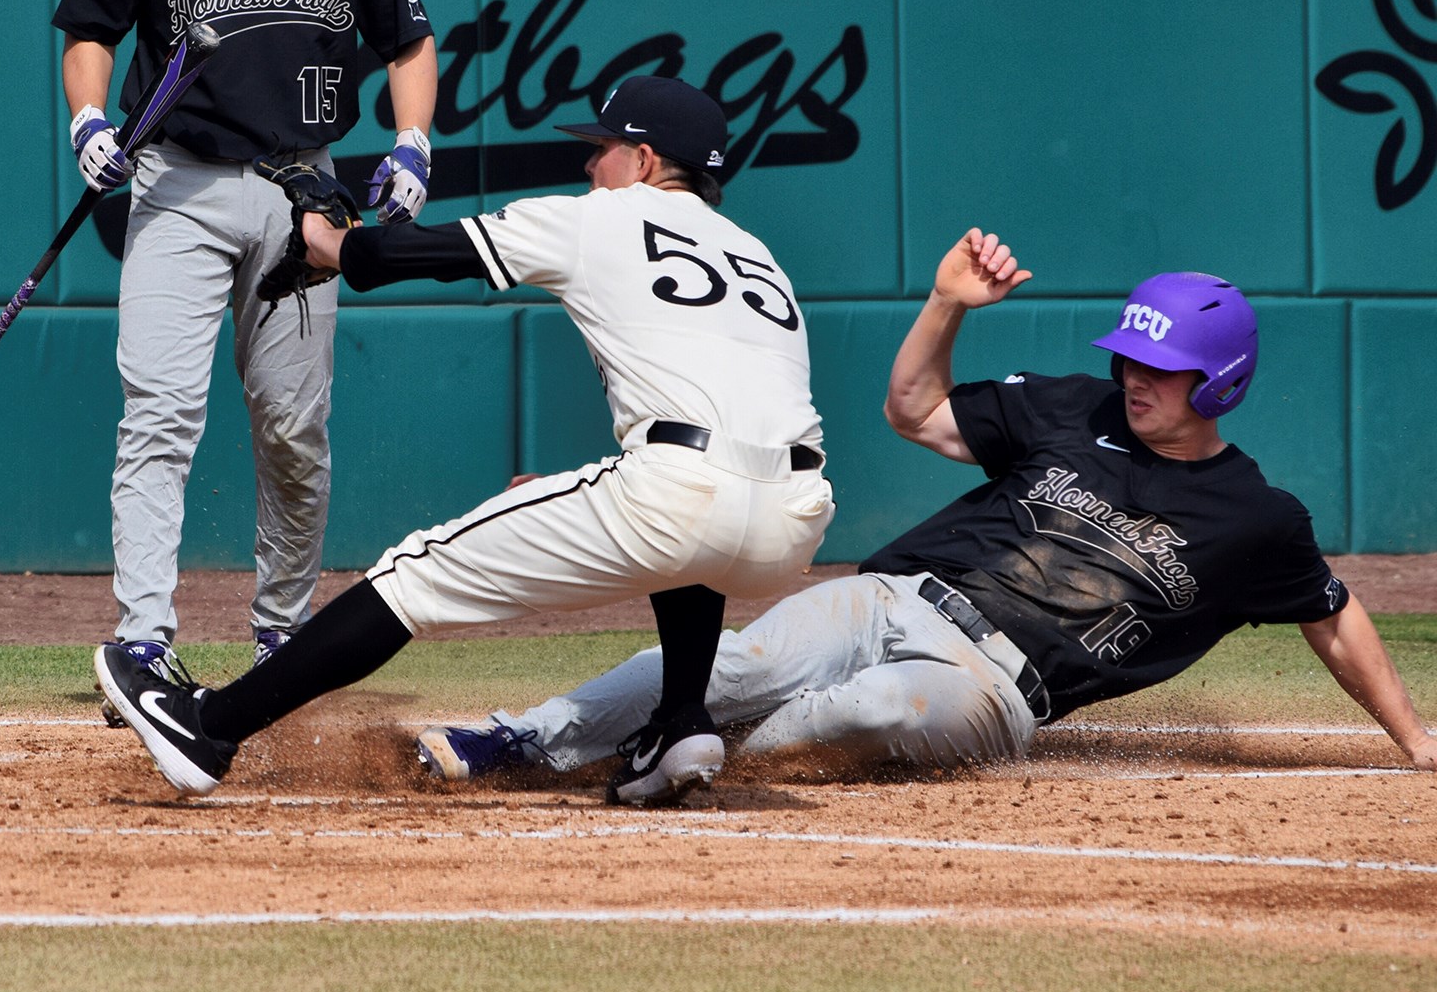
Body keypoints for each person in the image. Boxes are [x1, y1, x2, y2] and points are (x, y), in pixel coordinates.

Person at [415, 230, 1437, 783]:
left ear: (1219, 385)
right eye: (1130, 356)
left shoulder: (1258, 517)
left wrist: (1415, 740)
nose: (1136, 378)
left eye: (1162, 369)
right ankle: (512, 740)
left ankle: (690, 754)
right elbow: (914, 410)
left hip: (995, 686)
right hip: (895, 598)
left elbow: (1333, 615)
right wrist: (946, 303)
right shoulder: (1071, 409)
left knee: (871, 710)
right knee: (741, 662)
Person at [94, 75, 838, 805]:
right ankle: (681, 721)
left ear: (643, 162)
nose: (588, 165)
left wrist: (328, 240)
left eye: (603, 147)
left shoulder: (600, 218)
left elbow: (407, 256)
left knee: (412, 574)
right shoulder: (758, 257)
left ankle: (207, 728)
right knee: (692, 528)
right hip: (796, 522)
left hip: (678, 492)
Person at [53, 0, 439, 680]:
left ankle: (284, 637)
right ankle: (144, 641)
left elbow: (407, 41)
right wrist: (88, 118)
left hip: (305, 187)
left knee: (294, 427)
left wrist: (413, 140)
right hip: (177, 183)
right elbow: (89, 29)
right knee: (158, 411)